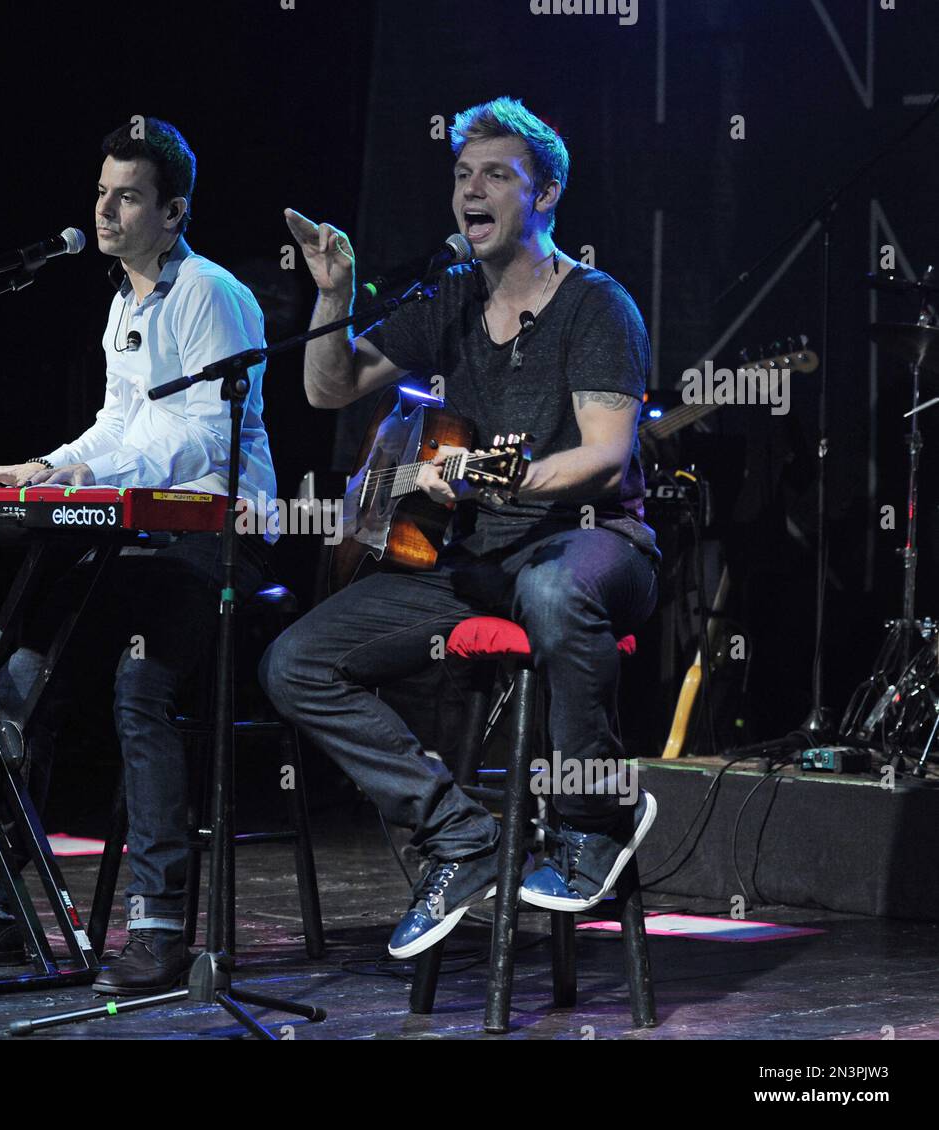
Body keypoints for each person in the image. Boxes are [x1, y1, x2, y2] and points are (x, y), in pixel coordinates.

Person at [0, 118, 277, 995]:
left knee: (141, 687)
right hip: (146, 540)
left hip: (221, 540)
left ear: (172, 211)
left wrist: (75, 475)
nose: (104, 208)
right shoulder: (121, 302)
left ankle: (161, 924)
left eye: (126, 195)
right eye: (101, 191)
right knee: (21, 672)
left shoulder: (209, 294)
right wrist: (47, 467)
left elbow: (202, 437)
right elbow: (117, 424)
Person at [260, 95, 659, 959]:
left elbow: (604, 455)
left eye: (495, 176)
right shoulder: (446, 301)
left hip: (592, 544)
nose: (470, 191)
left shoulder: (598, 306)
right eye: (461, 175)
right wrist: (332, 297)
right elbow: (329, 387)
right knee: (296, 661)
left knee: (553, 590)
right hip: (477, 558)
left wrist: (495, 479)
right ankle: (460, 834)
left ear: (546, 194)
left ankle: (595, 816)